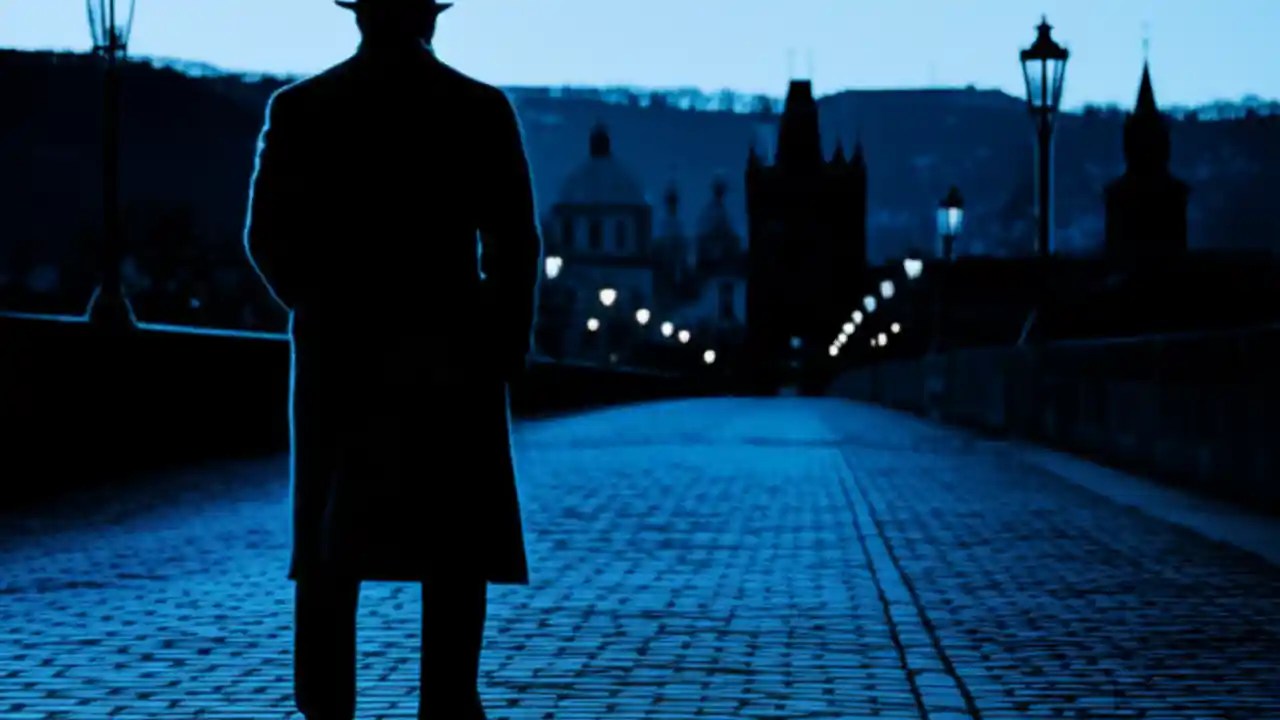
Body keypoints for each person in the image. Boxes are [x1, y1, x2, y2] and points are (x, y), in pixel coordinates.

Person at [242, 1, 542, 718]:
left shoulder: (301, 108)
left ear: (359, 17)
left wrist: (320, 308)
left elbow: (266, 237)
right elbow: (515, 244)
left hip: (339, 359)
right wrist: (502, 344)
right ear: (431, 17)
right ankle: (447, 704)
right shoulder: (477, 108)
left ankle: (325, 708)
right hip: (452, 353)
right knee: (454, 548)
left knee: (329, 552)